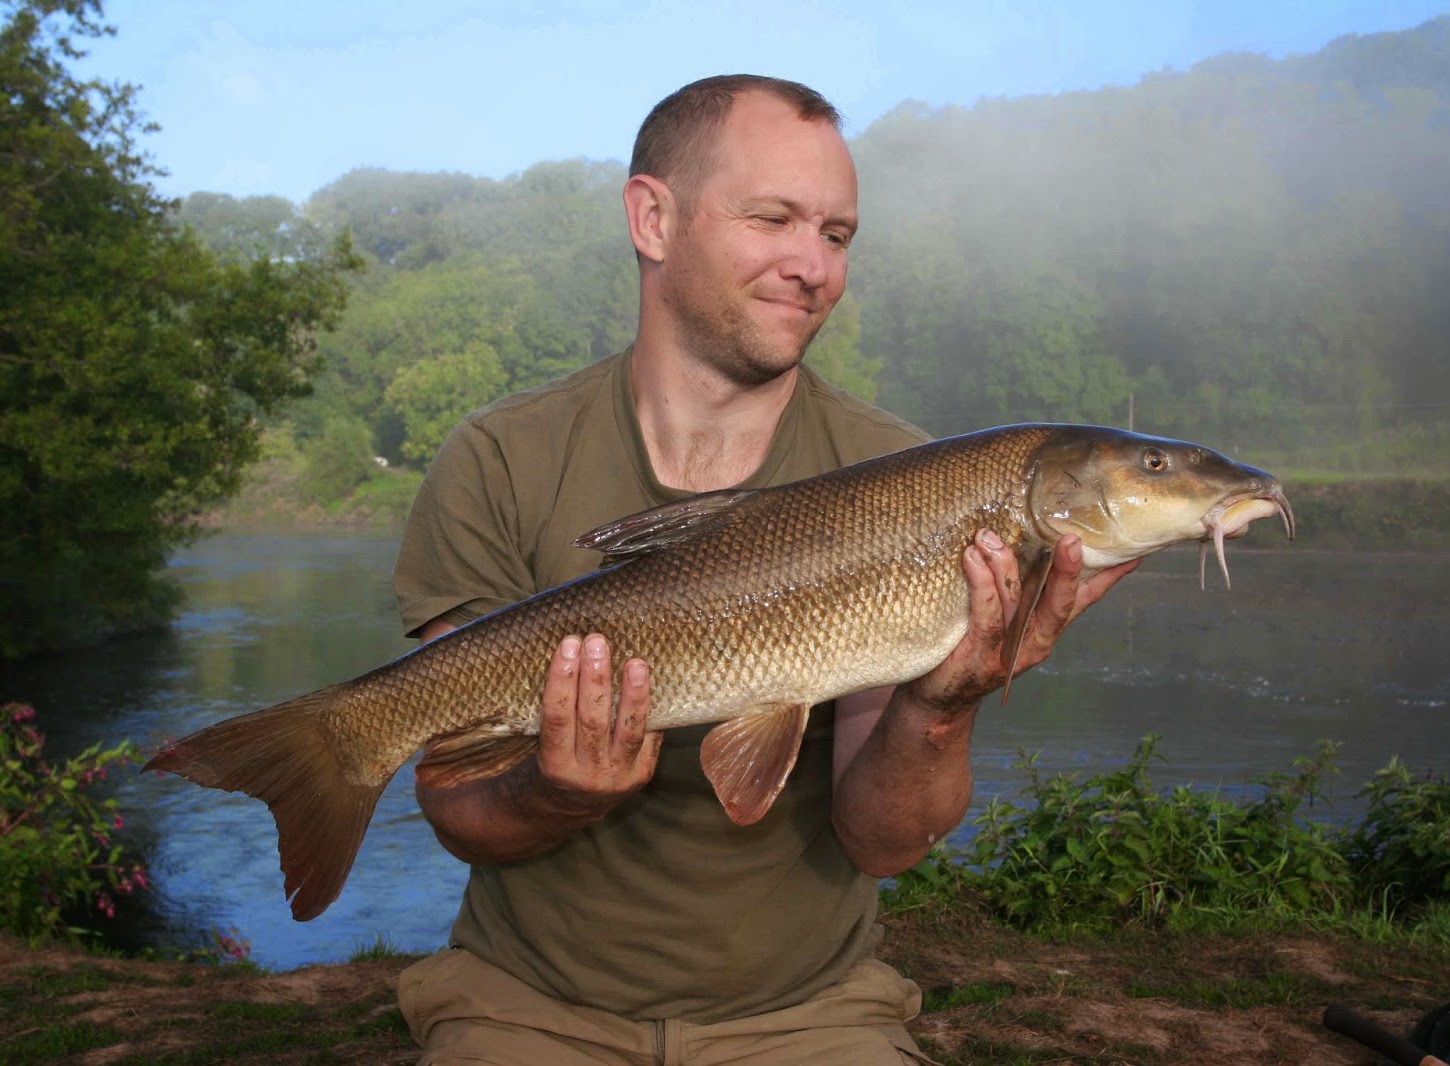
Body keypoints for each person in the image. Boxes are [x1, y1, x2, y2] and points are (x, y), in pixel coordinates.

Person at [392, 74, 1139, 1065]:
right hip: (524, 1000)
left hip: (810, 1011)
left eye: (836, 235)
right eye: (774, 218)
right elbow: (459, 810)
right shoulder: (497, 456)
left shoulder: (905, 481)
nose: (813, 266)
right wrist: (556, 792)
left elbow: (879, 844)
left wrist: (939, 705)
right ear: (652, 218)